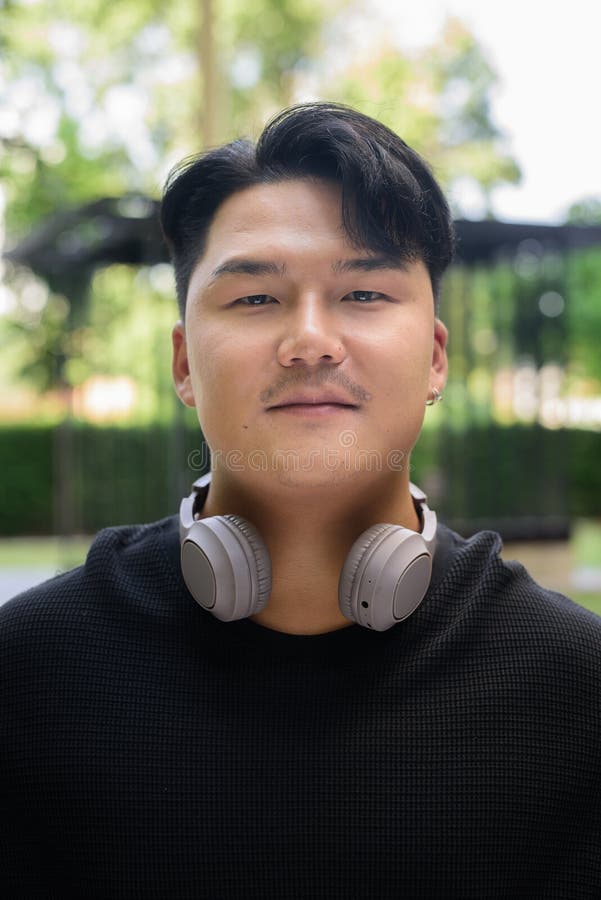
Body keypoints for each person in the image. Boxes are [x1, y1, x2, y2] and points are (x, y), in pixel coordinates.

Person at [1, 102, 600, 899]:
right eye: (254, 299)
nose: (310, 339)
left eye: (362, 293)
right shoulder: (27, 675)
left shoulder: (575, 689)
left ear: (433, 357)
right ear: (183, 362)